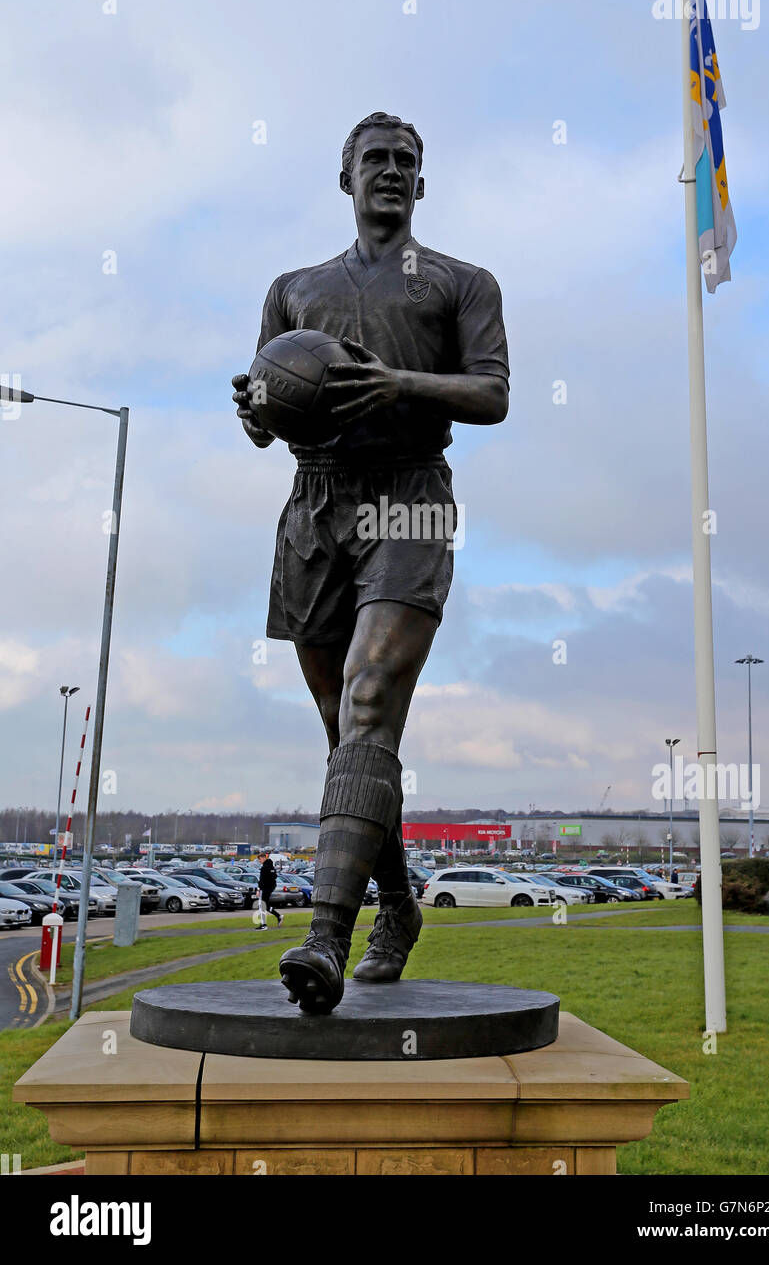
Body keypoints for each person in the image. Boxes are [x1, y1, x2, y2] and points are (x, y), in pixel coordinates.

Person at [233, 112, 509, 1013]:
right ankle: (397, 896)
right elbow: (266, 416)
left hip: (409, 493)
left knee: (366, 699)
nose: (390, 172)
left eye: (406, 161)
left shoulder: (463, 283)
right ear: (344, 177)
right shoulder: (292, 288)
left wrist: (400, 384)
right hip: (315, 503)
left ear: (421, 183)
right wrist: (258, 409)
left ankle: (325, 938)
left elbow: (494, 392)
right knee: (344, 734)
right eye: (375, 160)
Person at [257, 854, 282, 929]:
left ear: (263, 858)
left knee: (262, 906)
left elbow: (262, 880)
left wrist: (258, 889)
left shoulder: (264, 868)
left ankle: (264, 925)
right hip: (270, 888)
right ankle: (278, 916)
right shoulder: (272, 867)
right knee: (266, 906)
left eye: (260, 859)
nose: (259, 861)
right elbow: (275, 876)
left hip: (264, 889)